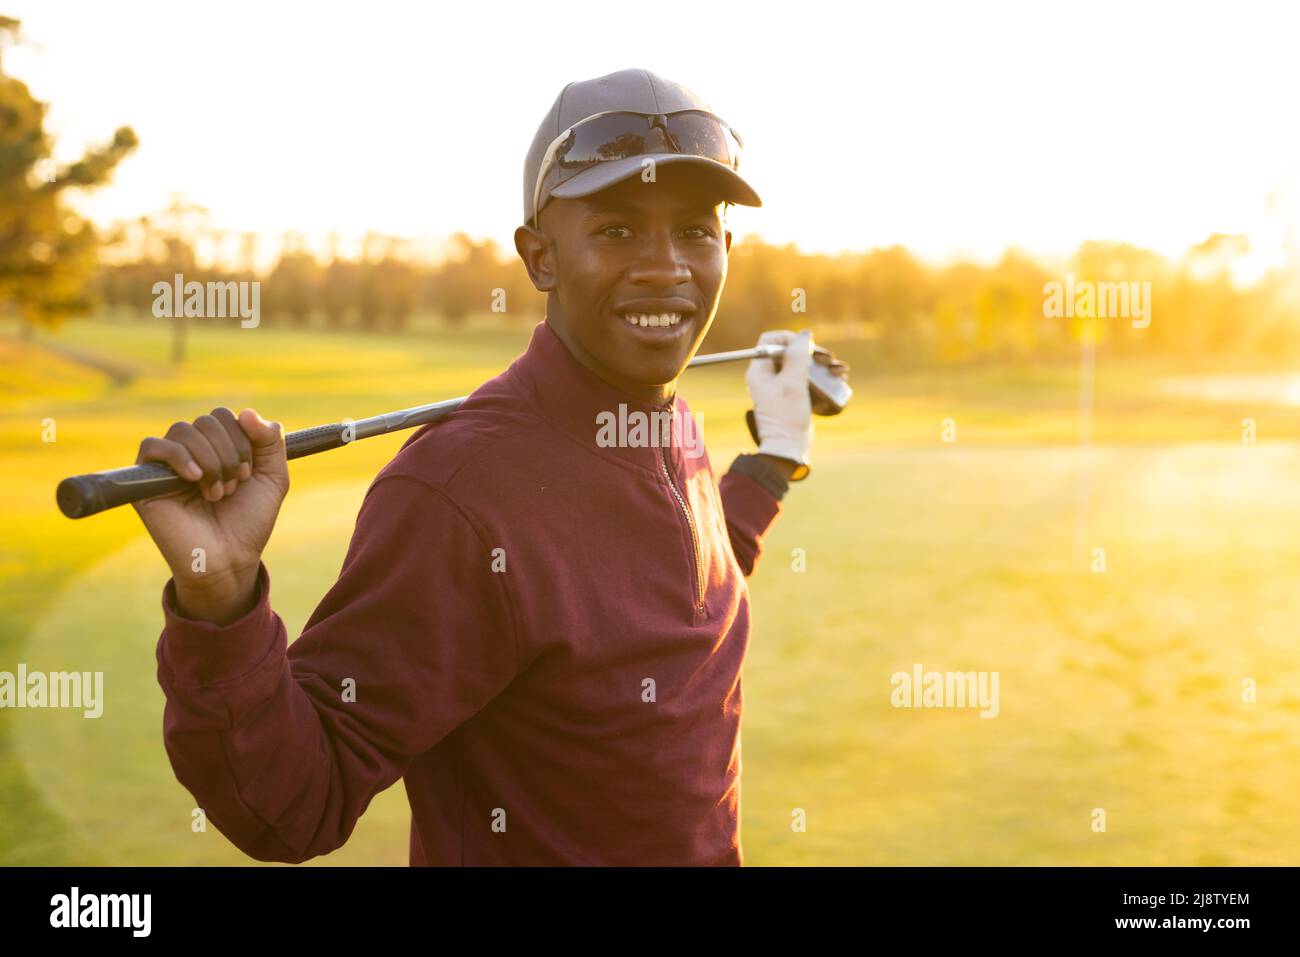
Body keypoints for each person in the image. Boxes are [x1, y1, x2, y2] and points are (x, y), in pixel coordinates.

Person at [133, 67, 818, 865]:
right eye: (618, 229)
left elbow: (669, 606)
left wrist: (773, 457)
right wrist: (219, 598)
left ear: (726, 247)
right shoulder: (457, 496)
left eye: (695, 230)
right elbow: (296, 802)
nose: (666, 266)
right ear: (540, 258)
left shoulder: (666, 420)